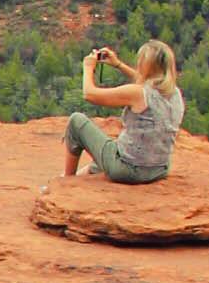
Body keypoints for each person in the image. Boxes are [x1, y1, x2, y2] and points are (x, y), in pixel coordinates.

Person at [62, 39, 184, 183]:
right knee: (98, 164)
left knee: (76, 121)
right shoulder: (174, 92)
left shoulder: (138, 93)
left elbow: (89, 94)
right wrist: (118, 65)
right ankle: (68, 180)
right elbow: (145, 81)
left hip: (129, 169)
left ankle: (66, 180)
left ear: (146, 65)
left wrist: (88, 67)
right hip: (159, 169)